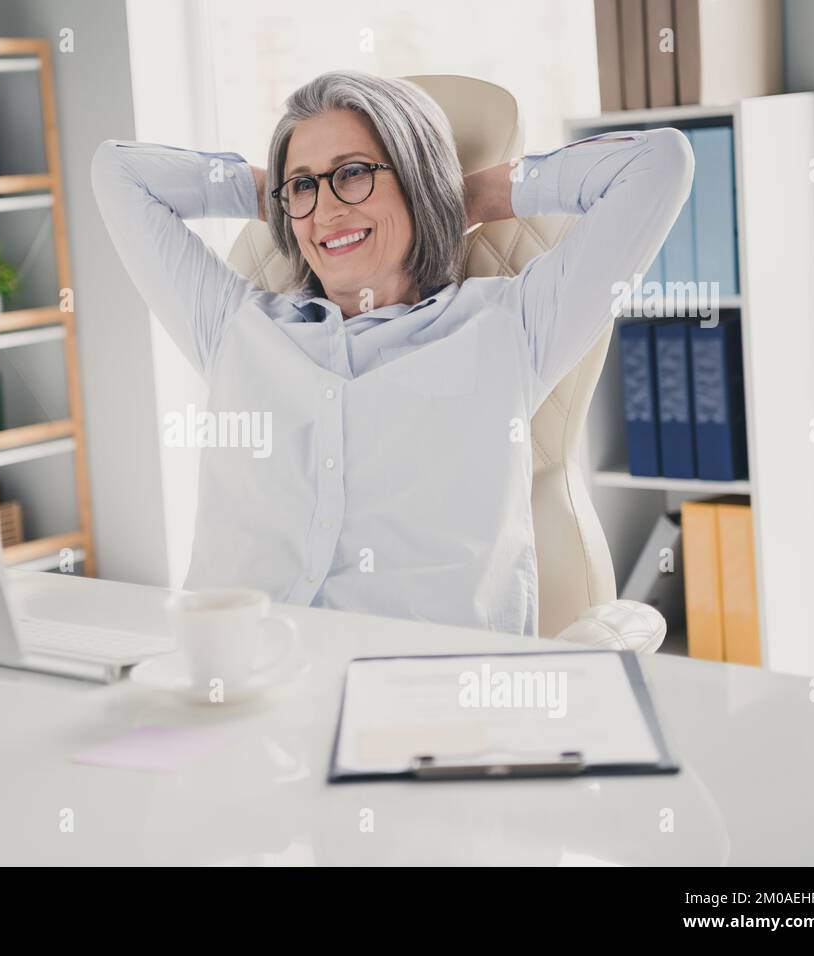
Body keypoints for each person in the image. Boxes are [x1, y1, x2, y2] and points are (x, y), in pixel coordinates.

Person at [90, 70, 692, 636]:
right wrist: (281, 201)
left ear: (417, 180)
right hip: (234, 685)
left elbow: (658, 163)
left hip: (424, 697)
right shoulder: (232, 325)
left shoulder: (512, 327)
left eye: (353, 173)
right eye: (303, 184)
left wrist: (464, 197)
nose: (326, 209)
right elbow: (118, 172)